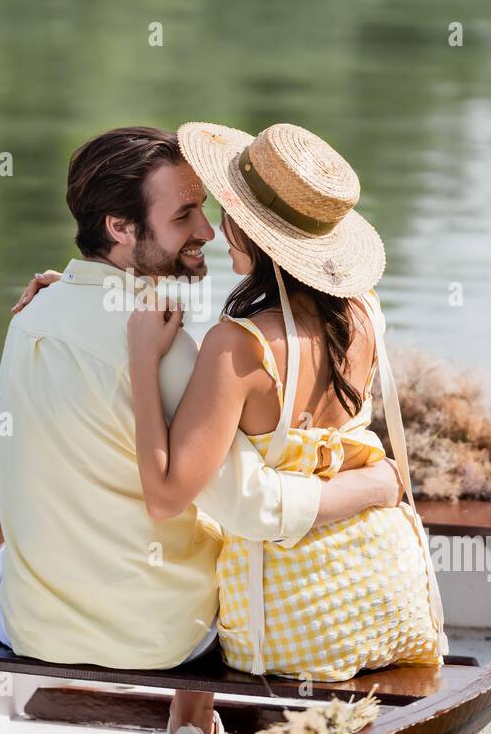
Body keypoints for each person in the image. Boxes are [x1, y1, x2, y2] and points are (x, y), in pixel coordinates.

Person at [0, 126, 405, 734]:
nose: (206, 230)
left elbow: (99, 318)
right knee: (221, 539)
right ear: (120, 228)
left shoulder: (29, 318)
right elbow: (244, 504)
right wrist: (378, 483)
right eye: (185, 214)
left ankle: (188, 725)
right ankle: (192, 725)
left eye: (205, 208)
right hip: (166, 638)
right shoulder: (178, 353)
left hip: (30, 626)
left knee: (1, 560)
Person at [126, 121, 448, 682]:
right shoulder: (364, 311)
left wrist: (139, 364)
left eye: (230, 213)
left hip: (287, 631)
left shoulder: (239, 346)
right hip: (376, 597)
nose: (220, 230)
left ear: (254, 232)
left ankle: (192, 720)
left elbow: (169, 494)